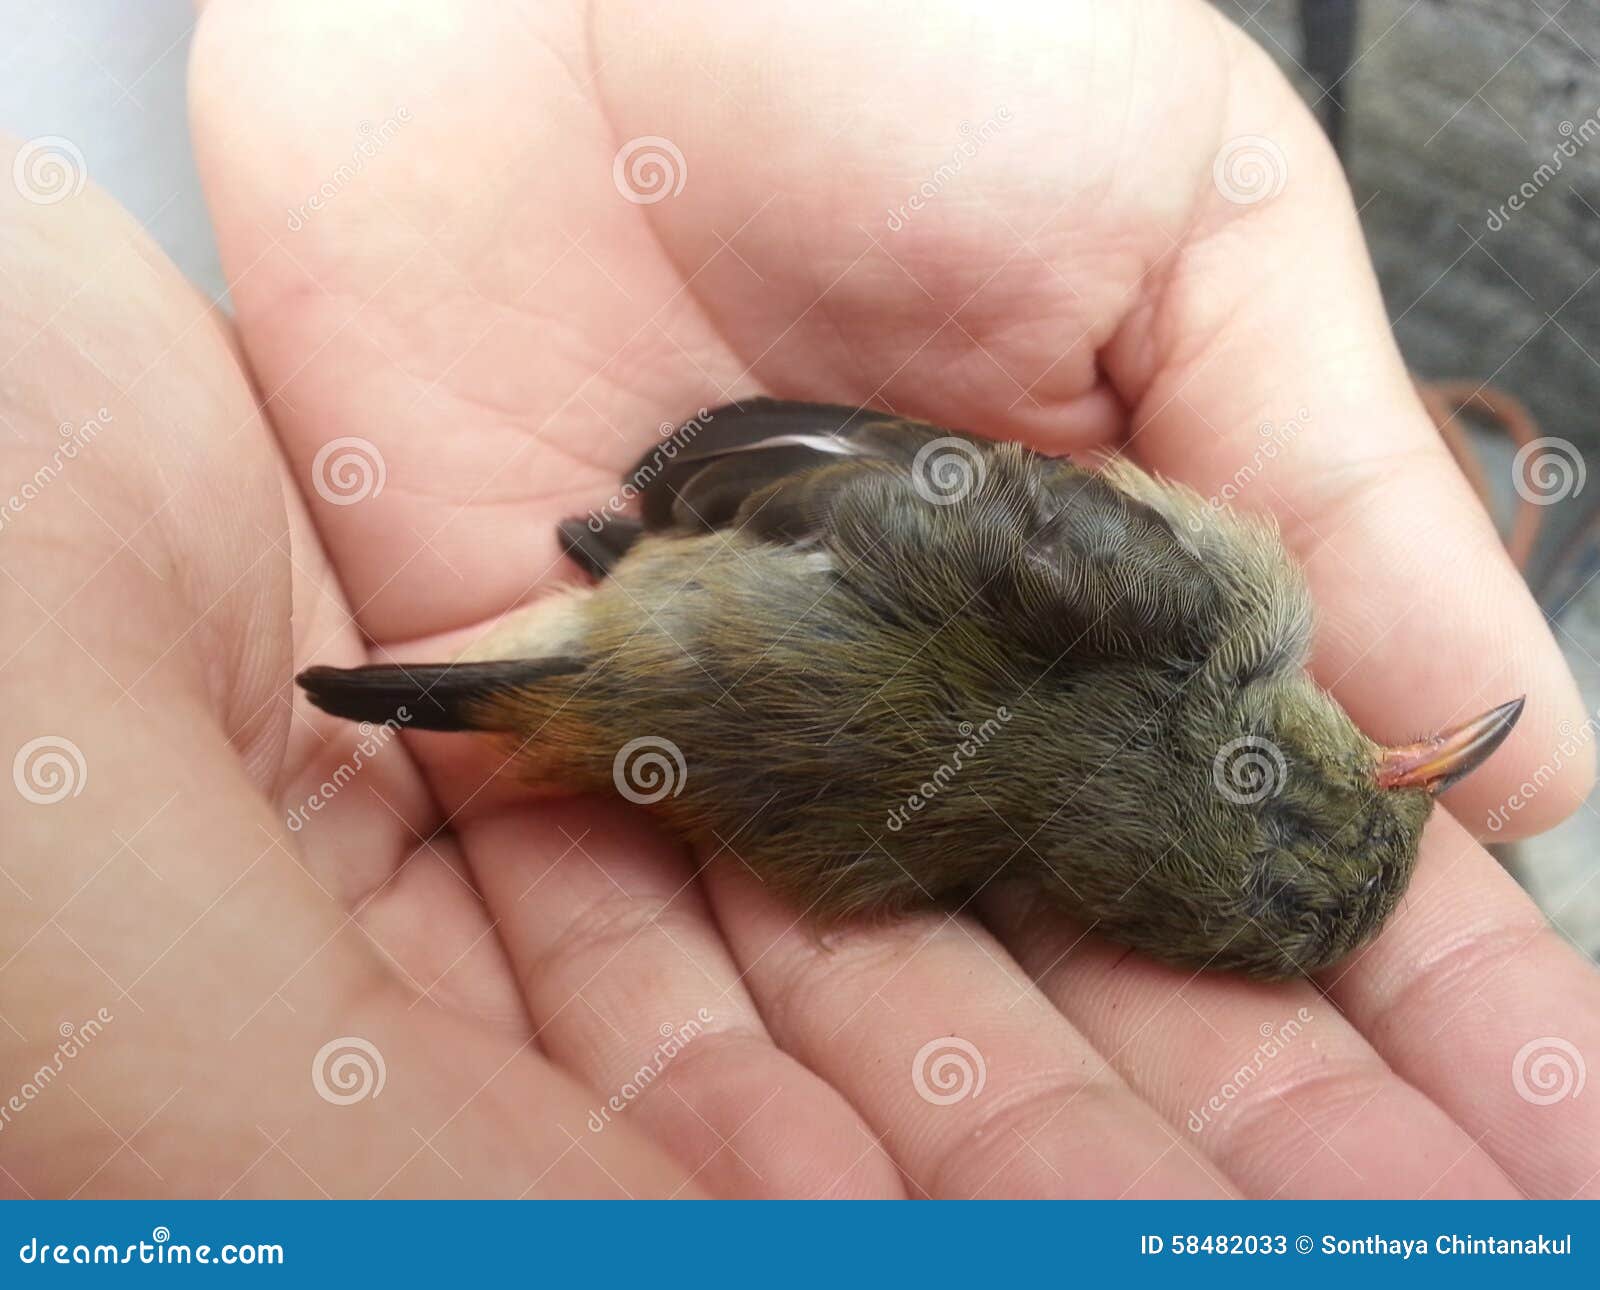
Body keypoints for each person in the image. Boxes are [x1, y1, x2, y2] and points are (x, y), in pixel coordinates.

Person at [1, 0, 1595, 1198]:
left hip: (708, 539)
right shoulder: (958, 860)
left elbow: (914, 497)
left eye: (1386, 769)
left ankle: (615, 632)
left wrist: (708, 480)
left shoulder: (1213, 614)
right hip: (684, 618)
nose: (1411, 746)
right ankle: (591, 656)